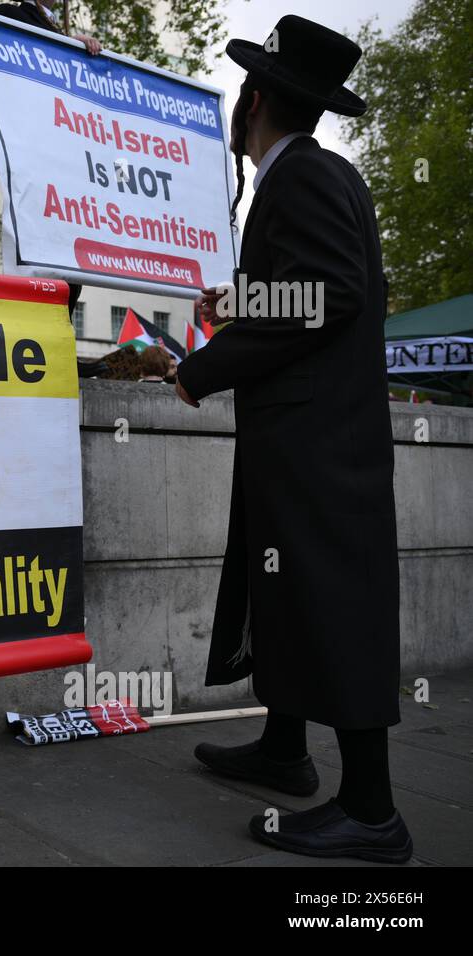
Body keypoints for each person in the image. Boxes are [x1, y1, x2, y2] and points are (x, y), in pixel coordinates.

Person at [173, 16, 411, 863]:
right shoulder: (319, 172)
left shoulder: (300, 177)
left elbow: (329, 292)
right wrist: (240, 309)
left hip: (316, 446)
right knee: (292, 596)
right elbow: (308, 292)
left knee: (329, 606)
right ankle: (283, 752)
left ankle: (374, 812)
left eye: (245, 91)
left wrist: (205, 365)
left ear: (257, 100)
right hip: (311, 438)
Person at [0, 1, 99, 320]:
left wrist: (76, 48)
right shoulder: (12, 13)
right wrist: (65, 46)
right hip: (35, 163)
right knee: (40, 262)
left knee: (70, 272)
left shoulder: (60, 31)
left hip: (64, 166)